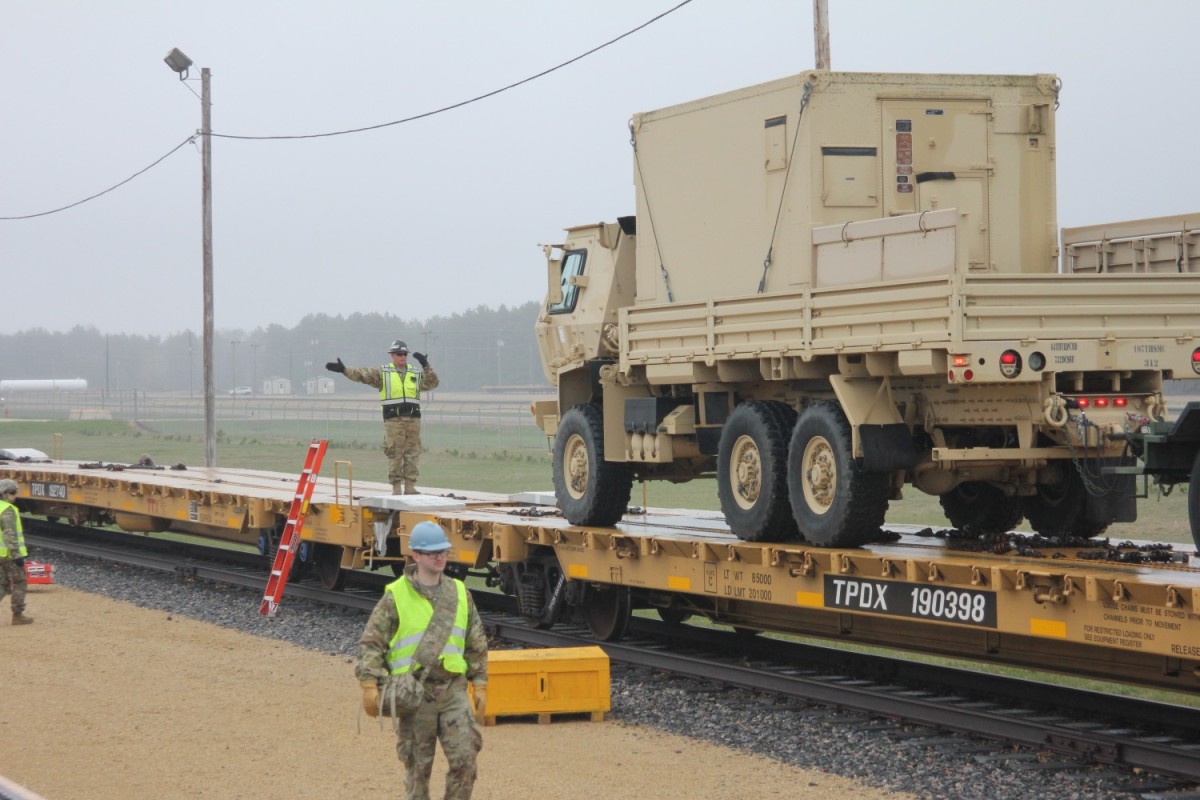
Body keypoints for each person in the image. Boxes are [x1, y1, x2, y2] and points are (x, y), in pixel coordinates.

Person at [356, 521, 488, 800]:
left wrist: (480, 683)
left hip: (453, 690)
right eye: (432, 553)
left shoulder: (460, 594)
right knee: (418, 771)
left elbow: (475, 642)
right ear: (415, 556)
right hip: (414, 694)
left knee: (465, 761)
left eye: (443, 551)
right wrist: (369, 683)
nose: (439, 557)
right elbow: (372, 643)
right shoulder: (396, 595)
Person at [326, 339, 439, 495]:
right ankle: (396, 487)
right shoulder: (383, 372)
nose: (403, 357)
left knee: (413, 452)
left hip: (413, 420)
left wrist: (426, 365)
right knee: (395, 453)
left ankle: (410, 486)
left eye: (405, 354)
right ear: (392, 355)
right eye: (399, 354)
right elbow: (362, 375)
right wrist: (344, 370)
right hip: (394, 421)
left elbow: (433, 383)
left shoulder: (415, 372)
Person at [0, 479, 33, 625]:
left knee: (2, 584)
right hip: (8, 554)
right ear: (4, 493)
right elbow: (9, 534)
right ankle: (18, 615)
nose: (15, 495)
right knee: (20, 582)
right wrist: (16, 555)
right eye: (12, 492)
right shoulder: (8, 510)